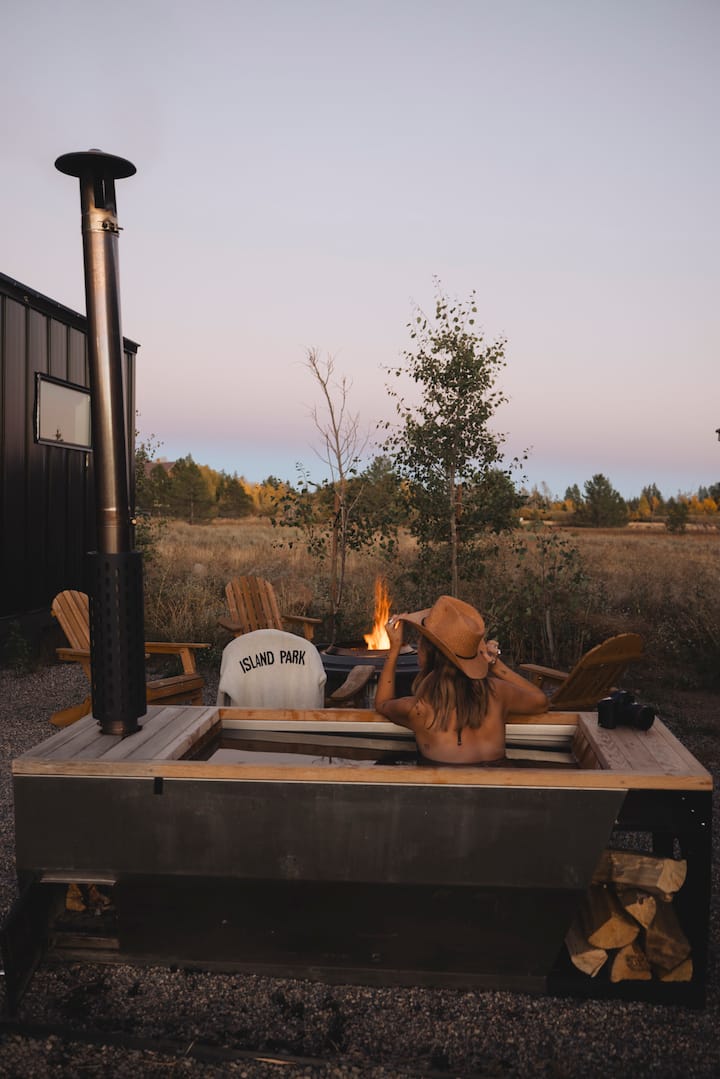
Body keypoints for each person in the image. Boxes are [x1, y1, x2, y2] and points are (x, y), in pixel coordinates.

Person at [374, 595, 548, 765]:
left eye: (420, 641)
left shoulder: (419, 710)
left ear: (427, 651)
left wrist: (394, 649)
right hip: (498, 787)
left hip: (444, 790)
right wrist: (495, 665)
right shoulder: (498, 693)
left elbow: (382, 703)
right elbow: (541, 701)